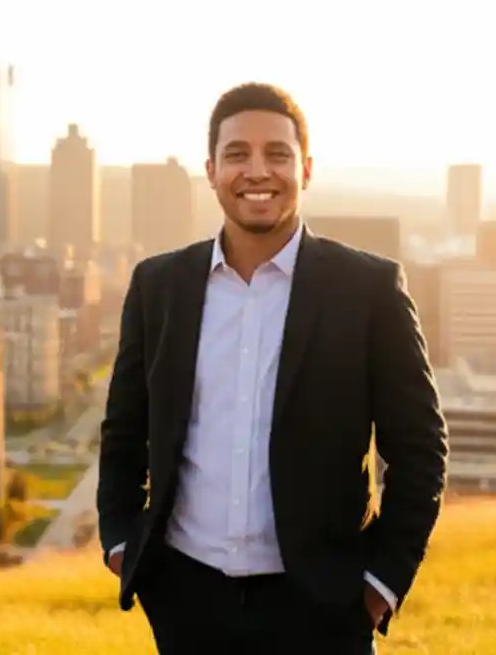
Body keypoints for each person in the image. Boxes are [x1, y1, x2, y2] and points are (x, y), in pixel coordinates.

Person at [96, 82, 449, 653]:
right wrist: (120, 538)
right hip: (186, 602)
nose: (256, 171)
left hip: (322, 608)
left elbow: (420, 448)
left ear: (306, 169)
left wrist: (380, 582)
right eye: (237, 154)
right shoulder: (158, 286)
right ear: (210, 170)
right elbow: (124, 428)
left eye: (277, 154)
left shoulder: (369, 290)